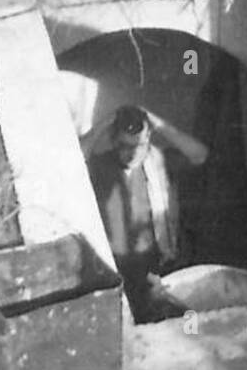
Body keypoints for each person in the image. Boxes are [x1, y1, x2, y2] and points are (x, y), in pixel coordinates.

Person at [82, 104, 209, 323]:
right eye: (124, 145)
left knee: (175, 327)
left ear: (148, 139)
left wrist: (159, 124)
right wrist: (104, 124)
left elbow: (200, 154)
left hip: (157, 266)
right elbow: (73, 157)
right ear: (113, 140)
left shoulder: (159, 163)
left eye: (139, 145)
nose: (132, 153)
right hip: (115, 270)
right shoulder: (101, 166)